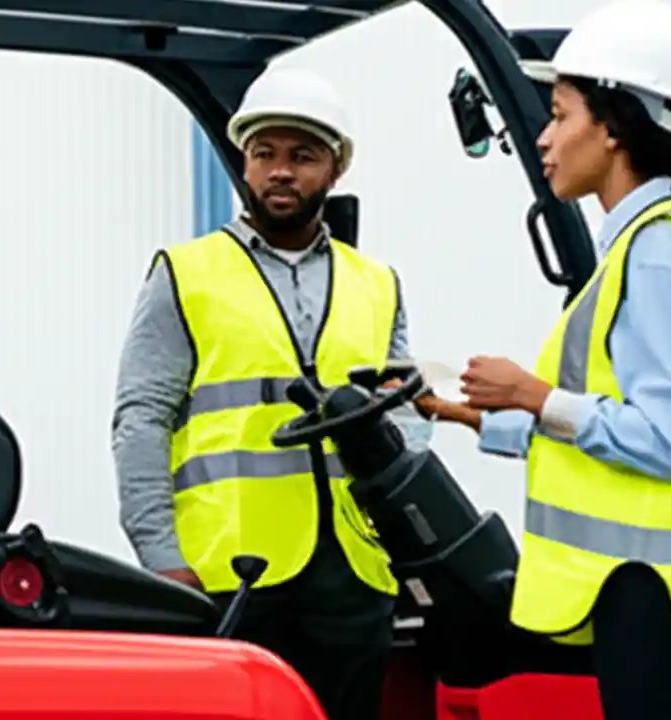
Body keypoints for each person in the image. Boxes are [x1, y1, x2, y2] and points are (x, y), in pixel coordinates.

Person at [450, 1, 671, 718]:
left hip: (658, 594)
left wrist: (534, 395)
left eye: (560, 114)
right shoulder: (644, 244)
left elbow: (668, 443)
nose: (544, 138)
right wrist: (470, 415)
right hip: (662, 592)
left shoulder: (659, 252)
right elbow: (603, 418)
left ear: (612, 127)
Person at [110, 66, 432, 720]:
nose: (279, 172)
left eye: (301, 156)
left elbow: (407, 420)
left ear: (334, 169)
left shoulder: (379, 284)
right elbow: (140, 421)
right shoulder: (186, 274)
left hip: (353, 574)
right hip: (232, 574)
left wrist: (399, 537)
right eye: (264, 155)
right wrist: (163, 560)